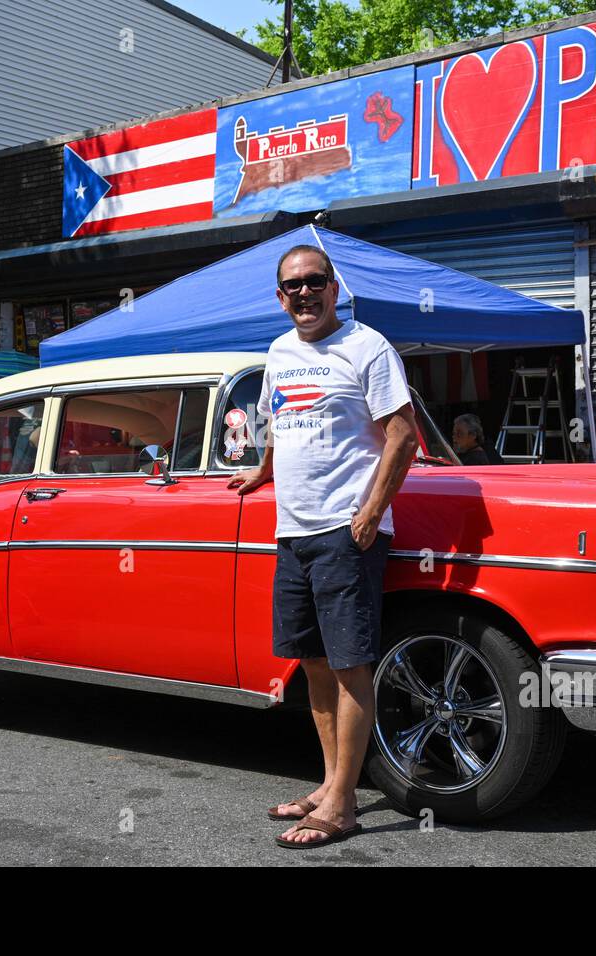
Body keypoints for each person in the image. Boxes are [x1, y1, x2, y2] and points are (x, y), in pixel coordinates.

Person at [230, 243, 417, 849]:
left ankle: (341, 805)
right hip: (293, 530)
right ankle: (331, 780)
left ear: (334, 287)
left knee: (349, 664)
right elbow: (276, 421)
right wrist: (263, 470)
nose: (304, 293)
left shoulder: (368, 347)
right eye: (292, 286)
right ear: (280, 297)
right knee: (310, 661)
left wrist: (370, 512)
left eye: (315, 282)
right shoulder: (280, 352)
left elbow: (403, 435)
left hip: (345, 531)